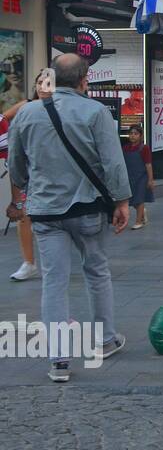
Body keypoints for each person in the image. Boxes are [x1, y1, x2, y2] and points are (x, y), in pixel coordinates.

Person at [8, 54, 131, 383]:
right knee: (96, 271)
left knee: (54, 282)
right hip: (87, 209)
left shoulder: (27, 114)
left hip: (45, 211)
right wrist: (122, 202)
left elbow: (17, 168)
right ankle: (105, 339)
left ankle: (58, 360)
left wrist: (27, 188)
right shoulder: (95, 112)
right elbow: (113, 163)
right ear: (84, 80)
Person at [5, 67, 54, 282]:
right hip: (29, 171)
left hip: (55, 171)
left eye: (48, 82)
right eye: (39, 82)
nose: (42, 86)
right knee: (25, 216)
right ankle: (28, 262)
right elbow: (3, 119)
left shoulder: (61, 107)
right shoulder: (26, 106)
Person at [121, 125, 155, 229]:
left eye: (135, 134)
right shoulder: (125, 148)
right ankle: (142, 212)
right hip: (130, 176)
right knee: (132, 200)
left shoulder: (144, 148)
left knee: (139, 199)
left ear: (140, 136)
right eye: (131, 133)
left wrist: (150, 179)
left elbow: (148, 164)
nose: (132, 136)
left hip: (142, 177)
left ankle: (138, 221)